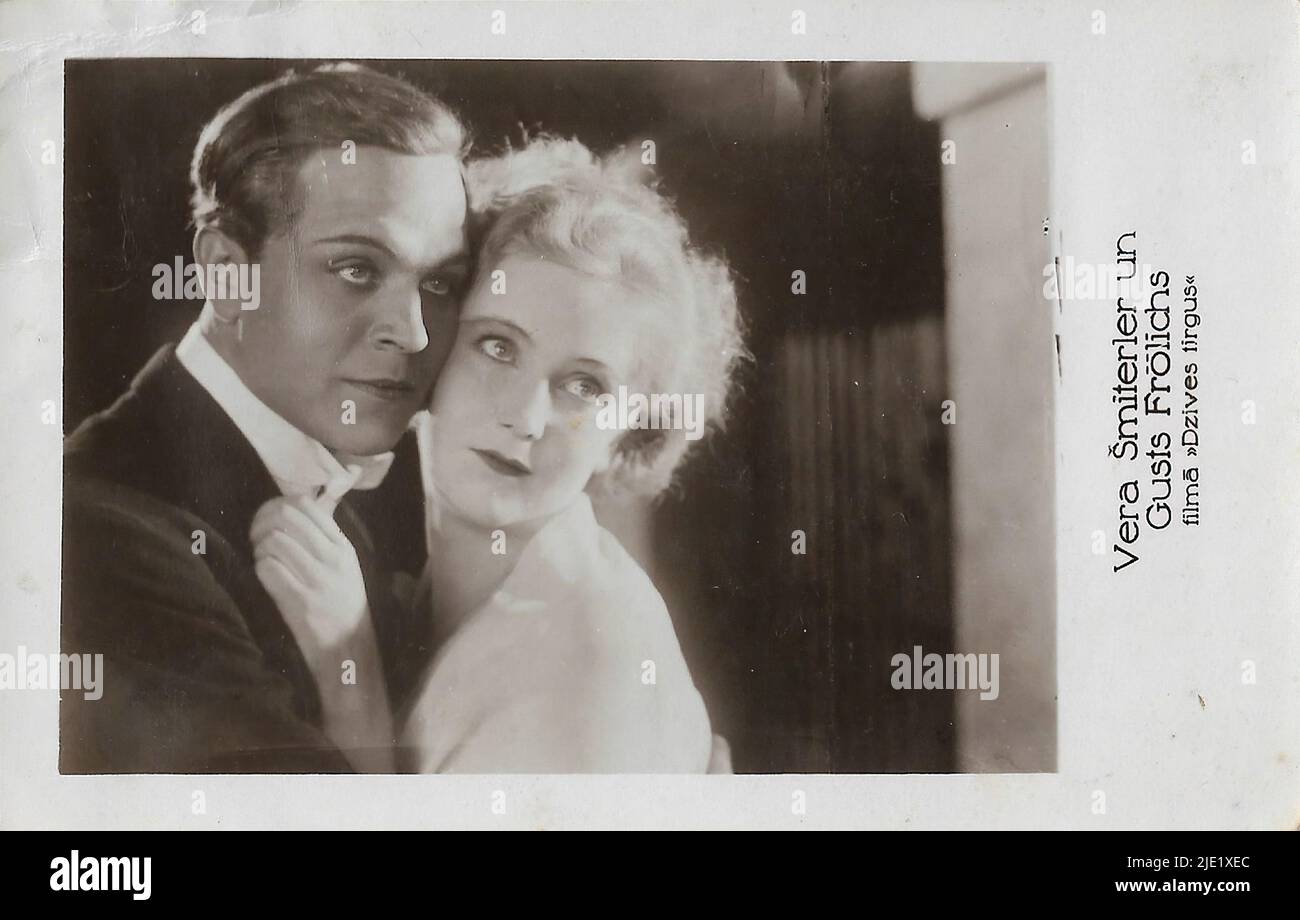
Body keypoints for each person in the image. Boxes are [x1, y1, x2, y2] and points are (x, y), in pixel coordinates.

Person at [253, 137, 748, 771]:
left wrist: (355, 693)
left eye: (583, 386)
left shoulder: (590, 656)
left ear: (622, 433)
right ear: (432, 348)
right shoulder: (435, 589)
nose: (525, 416)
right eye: (497, 347)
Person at [60, 63, 470, 772]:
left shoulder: (317, 479)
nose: (414, 334)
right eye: (357, 269)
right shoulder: (105, 536)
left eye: (438, 283)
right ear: (225, 273)